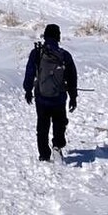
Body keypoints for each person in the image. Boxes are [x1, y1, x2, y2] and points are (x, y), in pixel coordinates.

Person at [24, 23, 77, 161]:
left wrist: (28, 90)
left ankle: (44, 155)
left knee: (42, 125)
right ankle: (57, 146)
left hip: (41, 97)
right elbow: (72, 77)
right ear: (58, 37)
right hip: (59, 98)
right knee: (59, 123)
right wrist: (73, 97)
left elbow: (30, 72)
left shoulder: (36, 53)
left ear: (45, 36)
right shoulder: (64, 55)